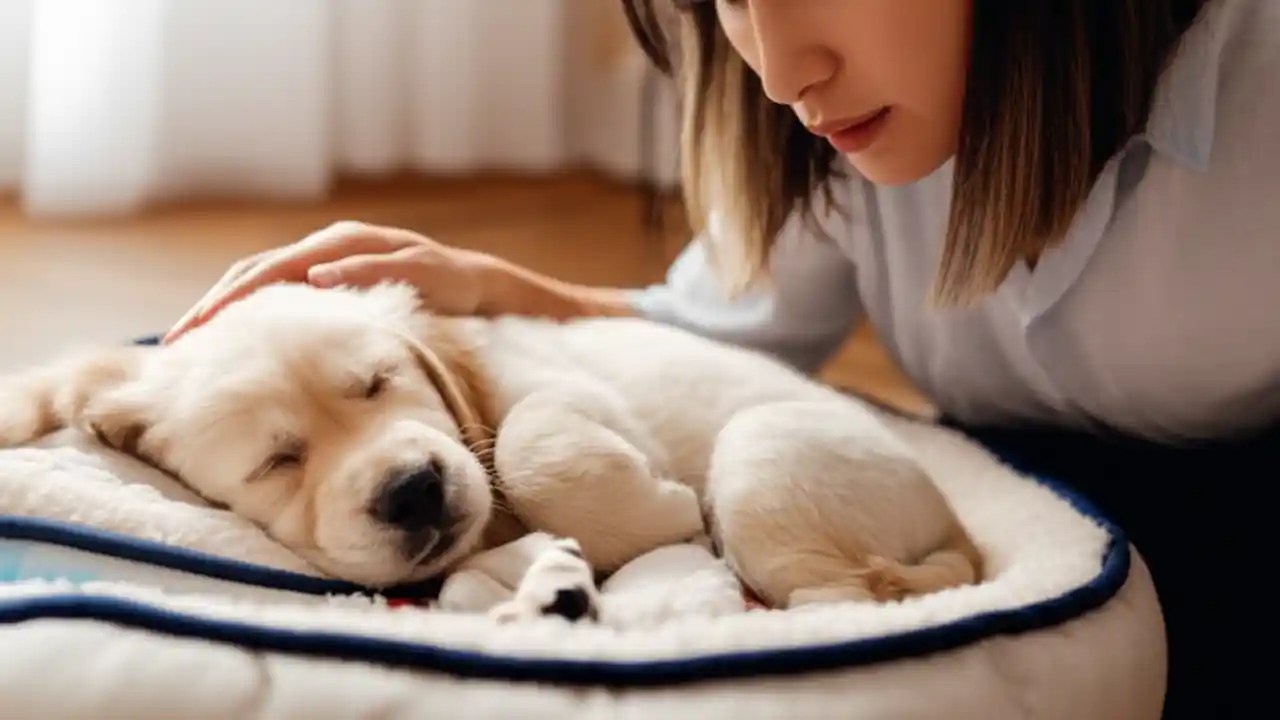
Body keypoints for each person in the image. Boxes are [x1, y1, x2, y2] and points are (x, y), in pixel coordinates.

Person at [165, 1, 1276, 716]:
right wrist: (474, 287)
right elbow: (714, 339)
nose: (781, 67)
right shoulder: (843, 141)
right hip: (1023, 504)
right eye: (729, 0)